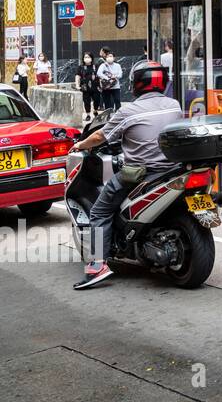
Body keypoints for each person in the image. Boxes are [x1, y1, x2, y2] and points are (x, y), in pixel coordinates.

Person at [71, 61, 182, 290]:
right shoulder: (174, 104)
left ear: (136, 84)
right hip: (171, 170)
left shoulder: (129, 110)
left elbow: (101, 136)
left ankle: (97, 265)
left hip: (139, 174)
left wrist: (80, 145)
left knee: (100, 210)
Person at [74, 52, 99, 123]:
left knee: (97, 100)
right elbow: (77, 76)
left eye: (88, 57)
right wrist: (77, 85)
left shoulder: (95, 66)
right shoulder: (81, 67)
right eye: (85, 57)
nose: (87, 59)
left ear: (92, 58)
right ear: (83, 58)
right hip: (85, 87)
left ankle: (95, 111)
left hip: (95, 86)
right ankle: (88, 115)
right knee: (86, 102)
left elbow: (99, 75)